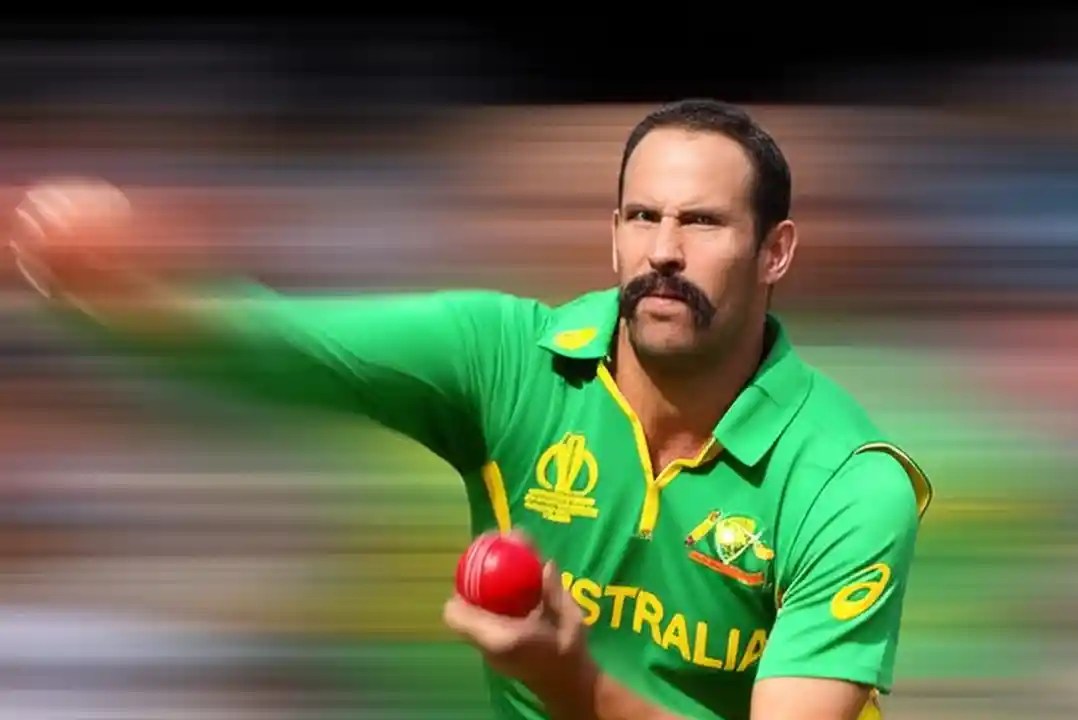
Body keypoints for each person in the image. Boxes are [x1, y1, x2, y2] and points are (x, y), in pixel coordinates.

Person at [8, 98, 932, 720]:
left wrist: (575, 689)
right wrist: (121, 288)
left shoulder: (848, 483)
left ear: (776, 252)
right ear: (611, 235)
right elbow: (280, 347)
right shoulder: (503, 362)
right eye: (641, 217)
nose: (664, 251)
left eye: (702, 223)